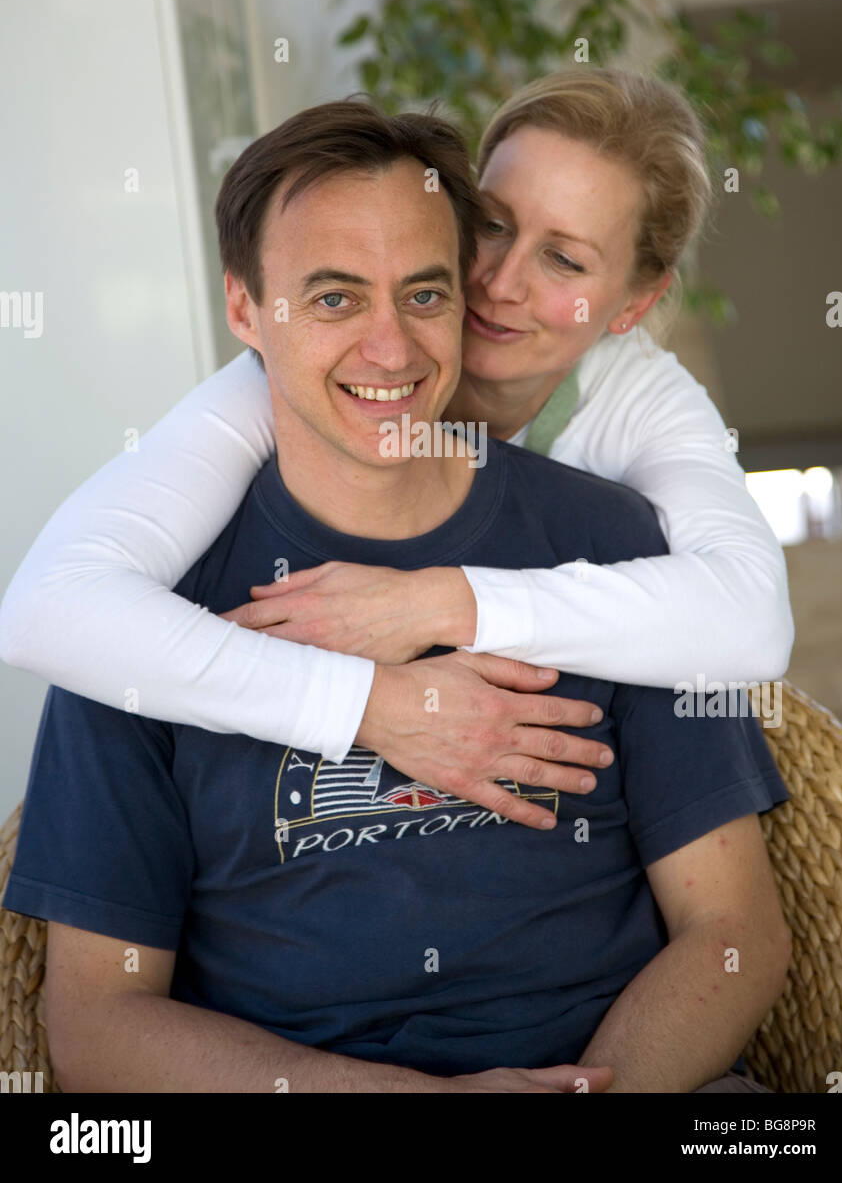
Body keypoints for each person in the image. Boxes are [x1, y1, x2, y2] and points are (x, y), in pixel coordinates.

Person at [3, 101, 790, 1093]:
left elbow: (736, 936)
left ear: (627, 303)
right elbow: (97, 1024)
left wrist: (445, 603)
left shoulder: (621, 535)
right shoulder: (137, 618)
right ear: (246, 313)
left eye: (422, 292)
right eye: (332, 299)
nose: (393, 345)